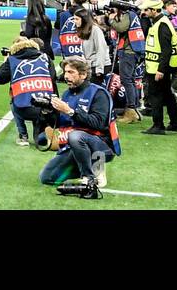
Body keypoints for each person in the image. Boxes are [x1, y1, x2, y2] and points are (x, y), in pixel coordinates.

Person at [39, 57, 121, 199]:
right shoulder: (67, 94)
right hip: (75, 145)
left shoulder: (98, 93)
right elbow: (61, 124)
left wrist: (70, 111)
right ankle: (89, 166)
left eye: (71, 72)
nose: (66, 76)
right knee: (47, 177)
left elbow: (99, 124)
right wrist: (48, 112)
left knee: (76, 136)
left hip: (101, 144)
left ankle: (89, 176)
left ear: (83, 74)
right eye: (65, 72)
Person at [0, 36, 56, 147]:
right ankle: (43, 126)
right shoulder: (45, 58)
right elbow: (52, 78)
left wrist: (6, 61)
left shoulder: (13, 59)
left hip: (24, 108)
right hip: (48, 107)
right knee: (40, 141)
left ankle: (23, 136)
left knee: (15, 100)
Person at [139, 0, 177, 134]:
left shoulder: (161, 24)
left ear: (154, 10)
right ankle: (175, 124)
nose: (144, 13)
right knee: (167, 95)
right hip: (160, 66)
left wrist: (160, 70)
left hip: (158, 68)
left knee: (155, 95)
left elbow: (166, 49)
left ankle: (158, 125)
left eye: (146, 10)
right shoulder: (161, 22)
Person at [108, 0, 146, 123]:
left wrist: (111, 20)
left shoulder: (128, 15)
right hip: (133, 49)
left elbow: (121, 28)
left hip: (129, 51)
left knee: (126, 80)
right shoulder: (133, 14)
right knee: (131, 80)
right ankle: (134, 109)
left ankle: (131, 111)